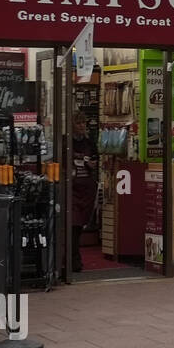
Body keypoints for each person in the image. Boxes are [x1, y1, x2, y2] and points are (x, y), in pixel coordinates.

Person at [70, 112, 97, 273]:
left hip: (86, 189)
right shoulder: (66, 142)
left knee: (79, 226)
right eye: (78, 123)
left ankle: (73, 258)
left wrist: (92, 164)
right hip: (72, 189)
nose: (82, 126)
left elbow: (95, 160)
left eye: (83, 123)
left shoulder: (89, 143)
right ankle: (74, 260)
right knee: (73, 225)